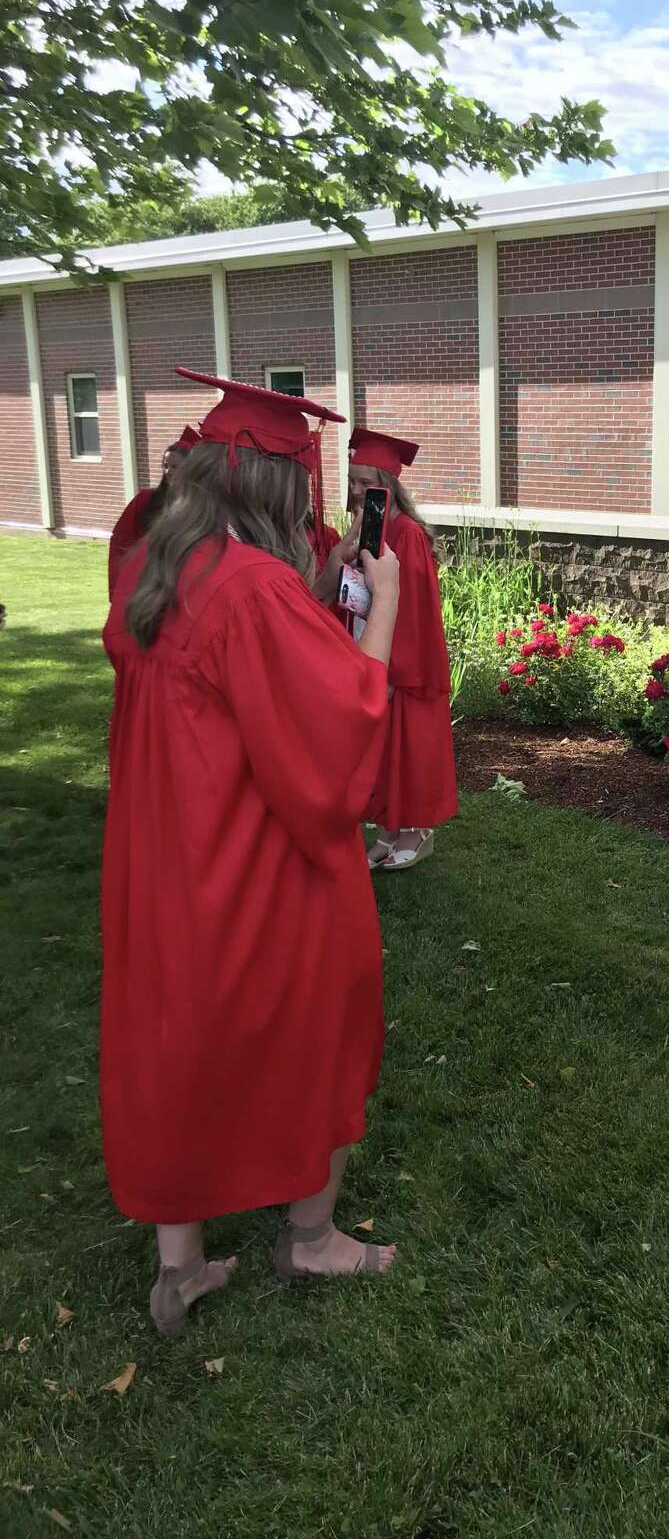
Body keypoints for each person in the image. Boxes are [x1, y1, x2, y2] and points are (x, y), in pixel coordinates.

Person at [102, 369, 403, 1339]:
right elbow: (337, 722)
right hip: (255, 853)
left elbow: (236, 669)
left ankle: (180, 1267)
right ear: (279, 487)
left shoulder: (160, 564)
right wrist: (382, 604)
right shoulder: (255, 590)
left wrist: (316, 594)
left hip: (167, 857)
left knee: (174, 1038)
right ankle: (311, 1236)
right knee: (323, 1011)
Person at [315, 425, 456, 873]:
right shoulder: (368, 527)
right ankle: (388, 830)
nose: (356, 491)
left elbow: (412, 607)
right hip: (365, 641)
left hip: (402, 660)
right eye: (352, 480)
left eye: (366, 483)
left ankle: (417, 831)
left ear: (389, 484)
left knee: (405, 748)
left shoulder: (407, 533)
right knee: (377, 751)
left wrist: (393, 670)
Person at [106, 426, 199, 598]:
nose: (169, 472)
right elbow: (122, 540)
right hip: (149, 581)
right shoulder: (146, 500)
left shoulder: (201, 505)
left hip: (185, 583)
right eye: (165, 466)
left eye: (175, 466)